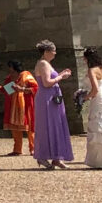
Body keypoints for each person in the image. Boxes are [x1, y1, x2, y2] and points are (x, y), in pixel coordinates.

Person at [32, 39, 75, 169]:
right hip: (46, 98)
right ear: (46, 52)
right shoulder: (43, 64)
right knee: (47, 126)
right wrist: (61, 76)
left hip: (53, 97)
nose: (55, 53)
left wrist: (61, 74)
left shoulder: (47, 63)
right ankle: (42, 156)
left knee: (57, 125)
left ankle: (57, 157)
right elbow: (46, 83)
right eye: (53, 51)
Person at [1, 60, 37, 156]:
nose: (9, 70)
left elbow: (36, 88)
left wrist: (23, 89)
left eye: (11, 68)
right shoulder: (10, 78)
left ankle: (33, 148)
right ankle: (17, 149)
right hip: (13, 107)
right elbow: (4, 90)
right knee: (15, 128)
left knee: (30, 126)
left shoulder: (26, 76)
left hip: (27, 105)